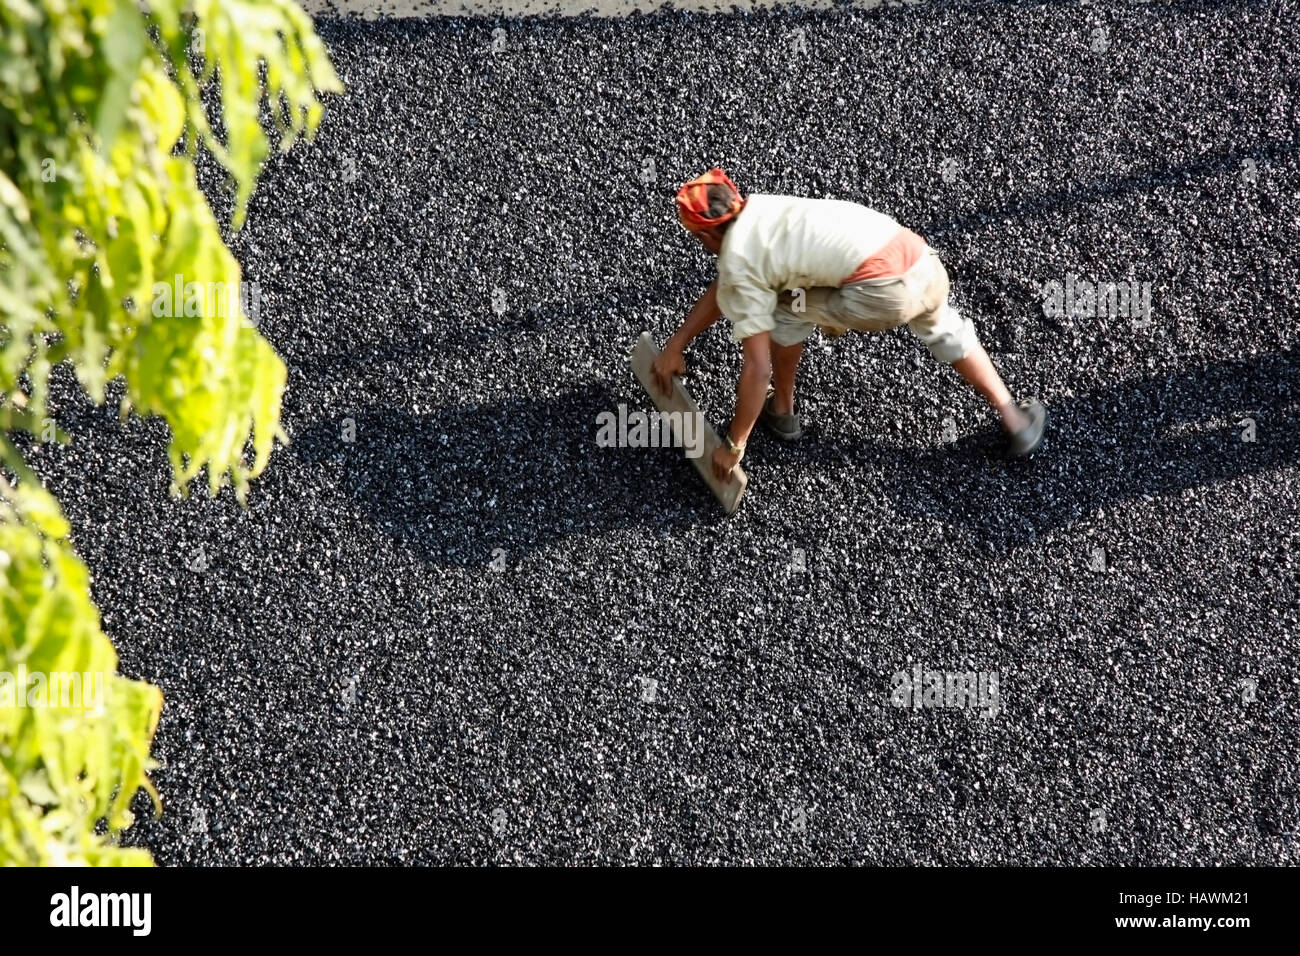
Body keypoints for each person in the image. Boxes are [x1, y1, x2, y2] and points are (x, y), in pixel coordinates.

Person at [650, 168, 1046, 483]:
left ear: (703, 232)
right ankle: (1014, 419)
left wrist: (732, 446)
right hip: (919, 258)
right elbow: (727, 284)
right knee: (943, 325)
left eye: (695, 236)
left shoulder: (739, 259)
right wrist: (678, 343)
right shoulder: (761, 209)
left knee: (785, 306)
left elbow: (757, 370)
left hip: (878, 294)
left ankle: (783, 410)